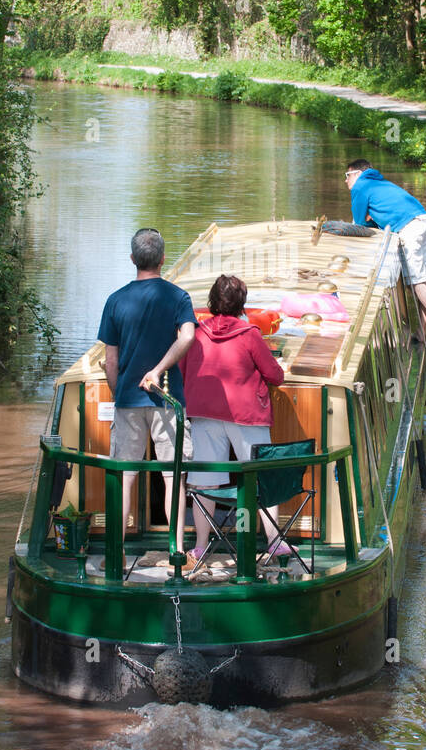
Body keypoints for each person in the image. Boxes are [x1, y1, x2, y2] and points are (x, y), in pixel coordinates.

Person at [99, 228, 196, 555]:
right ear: (163, 259)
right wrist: (158, 370)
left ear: (132, 260)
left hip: (128, 402)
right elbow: (187, 338)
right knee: (173, 478)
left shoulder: (115, 300)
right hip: (167, 402)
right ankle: (177, 554)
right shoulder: (178, 298)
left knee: (125, 477)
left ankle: (116, 555)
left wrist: (120, 391)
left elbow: (111, 360)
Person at [181, 274, 286, 571]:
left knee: (204, 481)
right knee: (259, 478)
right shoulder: (250, 333)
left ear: (213, 301)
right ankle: (273, 541)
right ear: (242, 304)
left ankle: (201, 547)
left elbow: (183, 368)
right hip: (246, 415)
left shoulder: (197, 333)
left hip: (204, 414)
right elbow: (275, 375)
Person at [345, 159, 426, 343]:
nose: (345, 181)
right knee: (419, 283)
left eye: (347, 176)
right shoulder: (379, 182)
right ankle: (421, 332)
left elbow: (361, 224)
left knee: (416, 282)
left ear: (357, 174)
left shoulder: (360, 186)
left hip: (411, 229)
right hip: (424, 223)